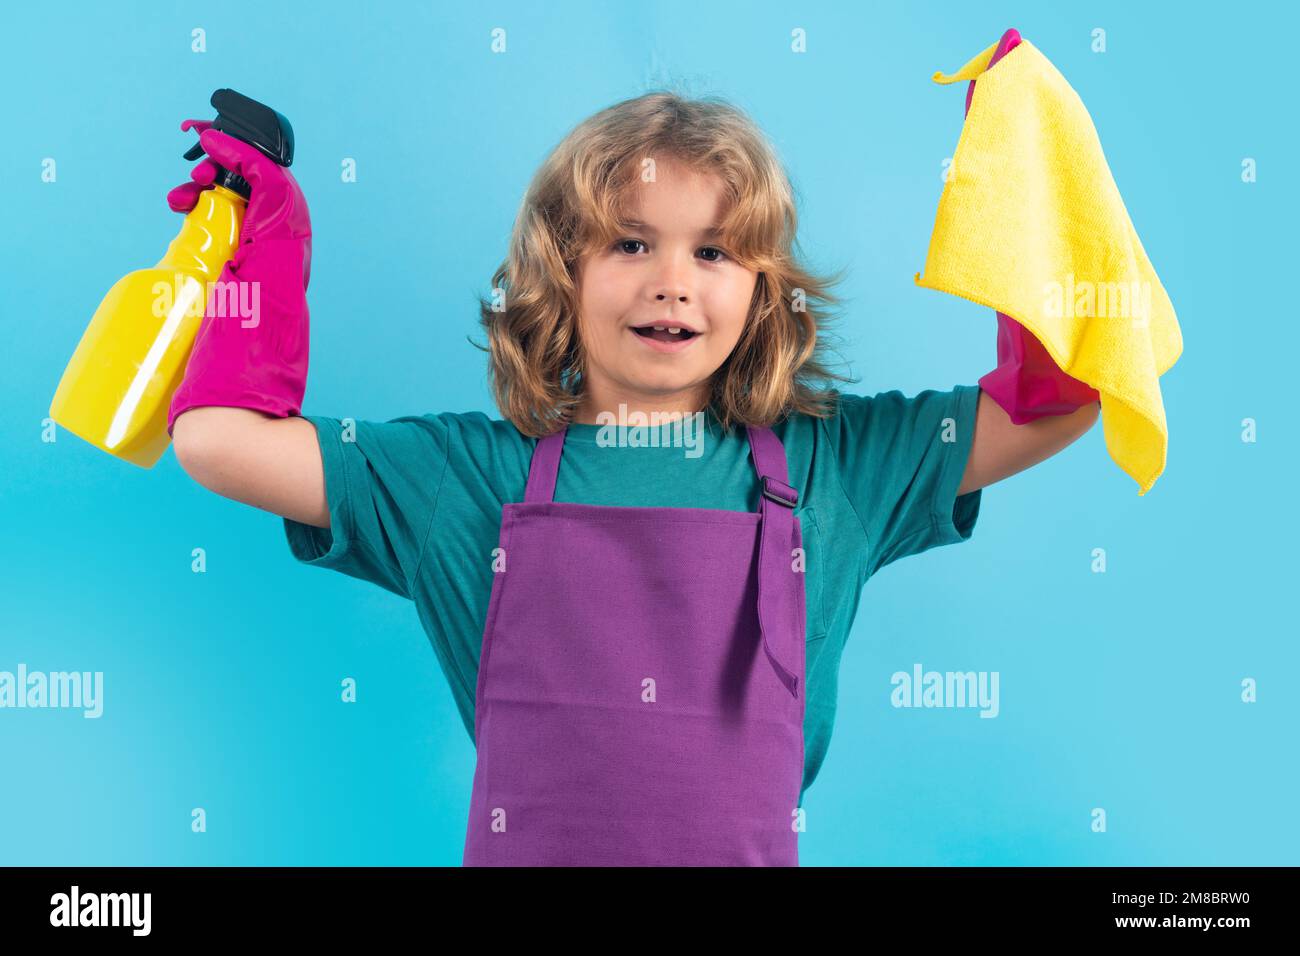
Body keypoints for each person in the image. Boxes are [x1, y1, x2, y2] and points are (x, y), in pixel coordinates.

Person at [169, 91, 1099, 866]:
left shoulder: (839, 466)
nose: (672, 281)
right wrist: (272, 238)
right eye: (628, 243)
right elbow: (222, 439)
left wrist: (1025, 172)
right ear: (558, 274)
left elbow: (1057, 399)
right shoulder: (464, 477)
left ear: (764, 290)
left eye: (713, 250)